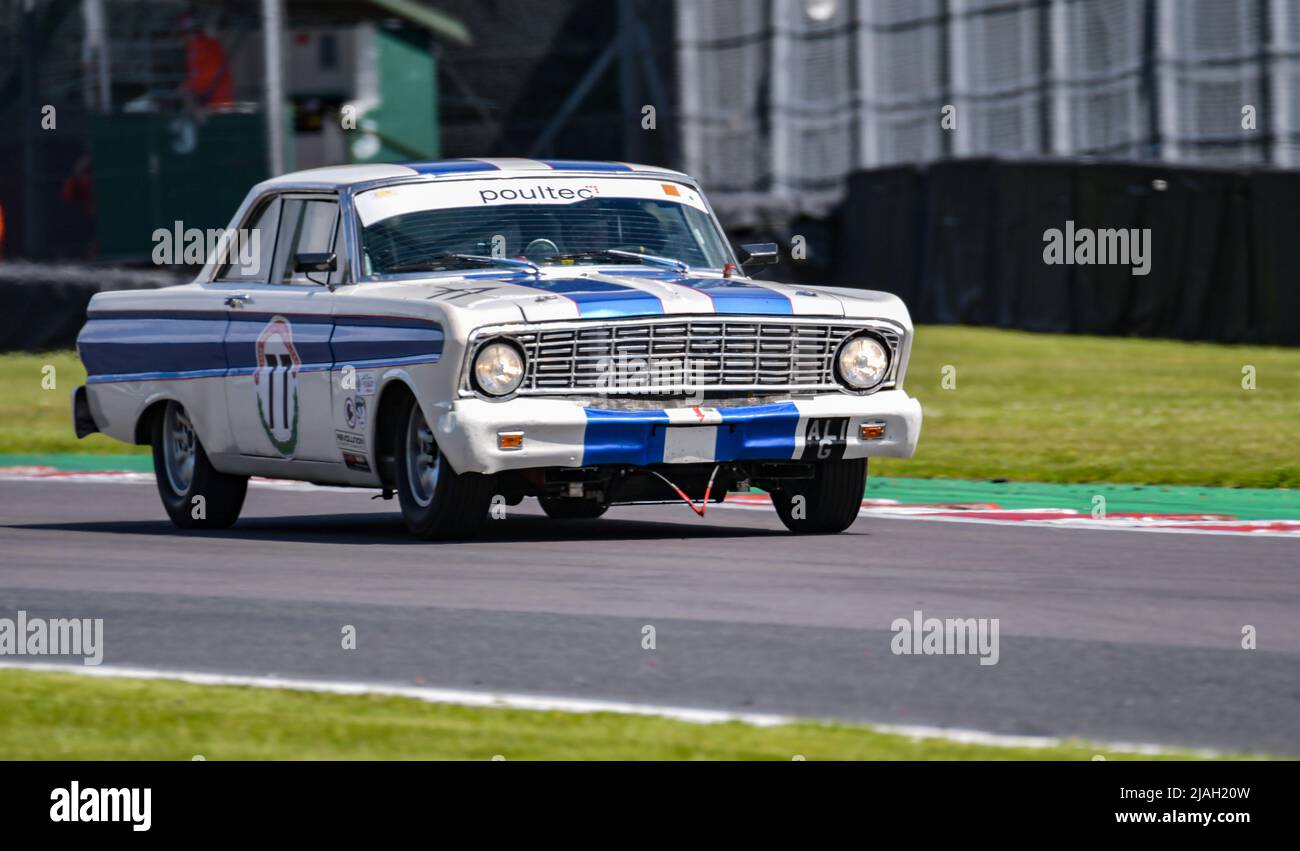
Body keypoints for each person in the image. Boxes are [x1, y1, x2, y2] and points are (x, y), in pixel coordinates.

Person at [178, 14, 233, 108]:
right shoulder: (195, 48)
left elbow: (210, 74)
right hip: (211, 104)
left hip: (217, 104)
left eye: (182, 34)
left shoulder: (204, 47)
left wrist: (187, 87)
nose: (181, 39)